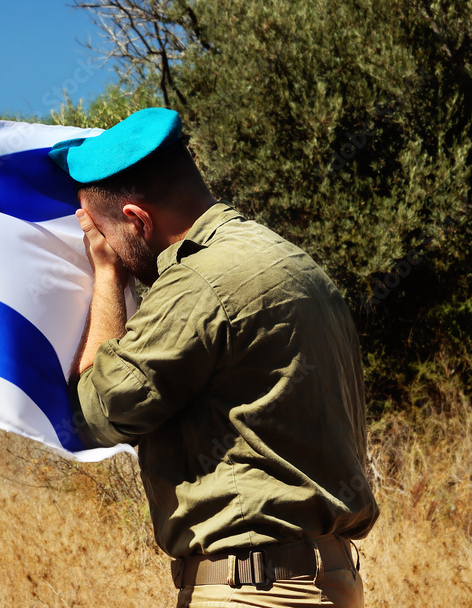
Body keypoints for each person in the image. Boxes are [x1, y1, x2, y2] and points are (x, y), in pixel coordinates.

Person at [48, 108, 379, 607]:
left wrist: (108, 278)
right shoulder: (289, 259)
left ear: (136, 220)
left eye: (103, 233)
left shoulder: (198, 282)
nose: (102, 245)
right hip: (331, 581)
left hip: (254, 590)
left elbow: (97, 414)